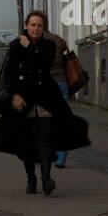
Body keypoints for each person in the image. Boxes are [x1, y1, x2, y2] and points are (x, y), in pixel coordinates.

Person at [0, 9, 90, 195]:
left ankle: (46, 177)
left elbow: (43, 63)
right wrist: (15, 95)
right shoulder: (15, 45)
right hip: (23, 98)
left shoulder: (49, 45)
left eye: (39, 26)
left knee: (46, 136)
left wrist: (30, 47)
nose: (36, 28)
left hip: (46, 96)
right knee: (25, 139)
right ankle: (30, 177)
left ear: (43, 28)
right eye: (33, 25)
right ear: (26, 26)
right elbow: (9, 73)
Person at [44, 25, 72, 168]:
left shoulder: (36, 41)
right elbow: (66, 49)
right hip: (61, 82)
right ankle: (61, 158)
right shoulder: (58, 39)